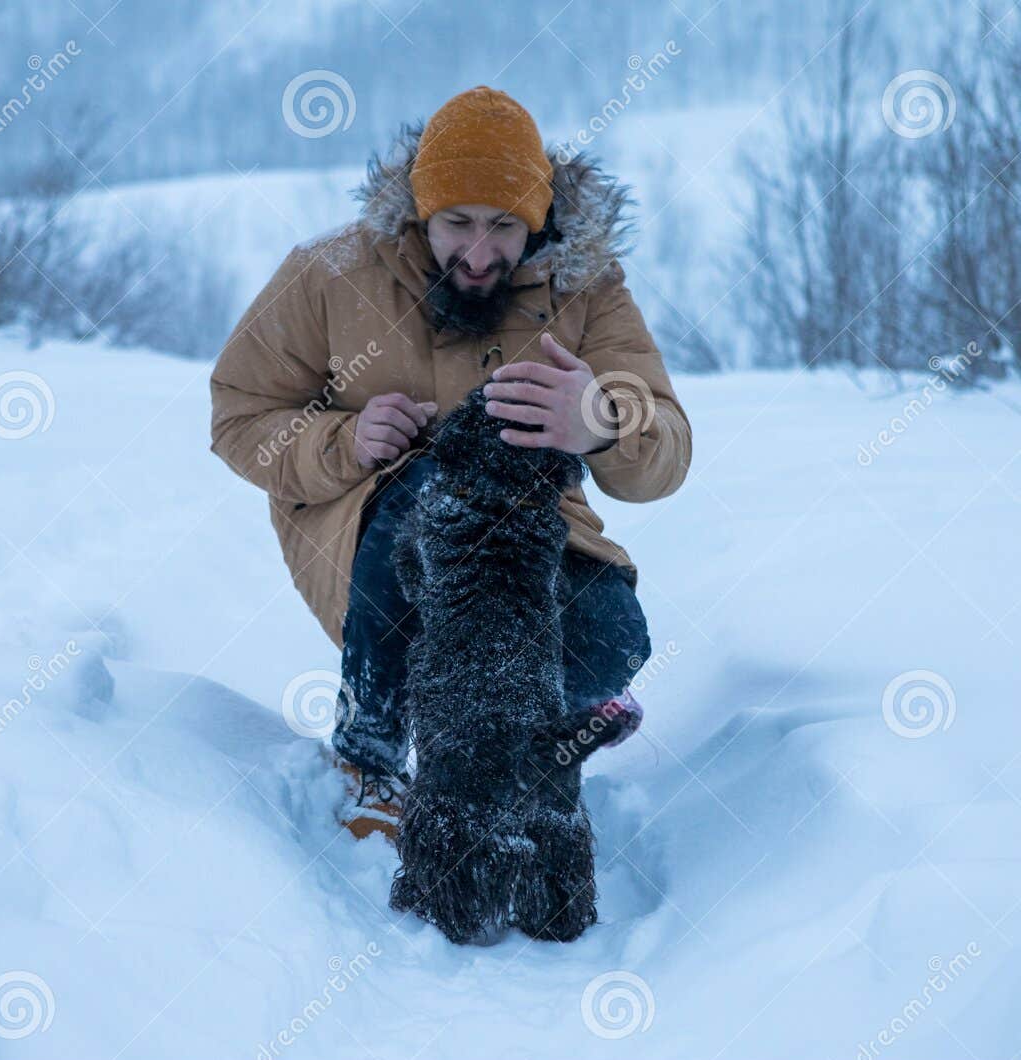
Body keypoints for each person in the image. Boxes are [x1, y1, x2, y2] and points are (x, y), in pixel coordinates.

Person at [210, 86, 692, 840]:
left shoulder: (585, 286)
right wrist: (346, 439)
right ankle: (373, 754)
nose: (477, 251)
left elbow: (668, 447)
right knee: (437, 489)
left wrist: (599, 422)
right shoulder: (329, 272)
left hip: (532, 536)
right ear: (418, 212)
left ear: (536, 223)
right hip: (368, 533)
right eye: (456, 224)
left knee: (614, 640)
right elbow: (240, 415)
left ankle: (511, 758)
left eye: (503, 227)